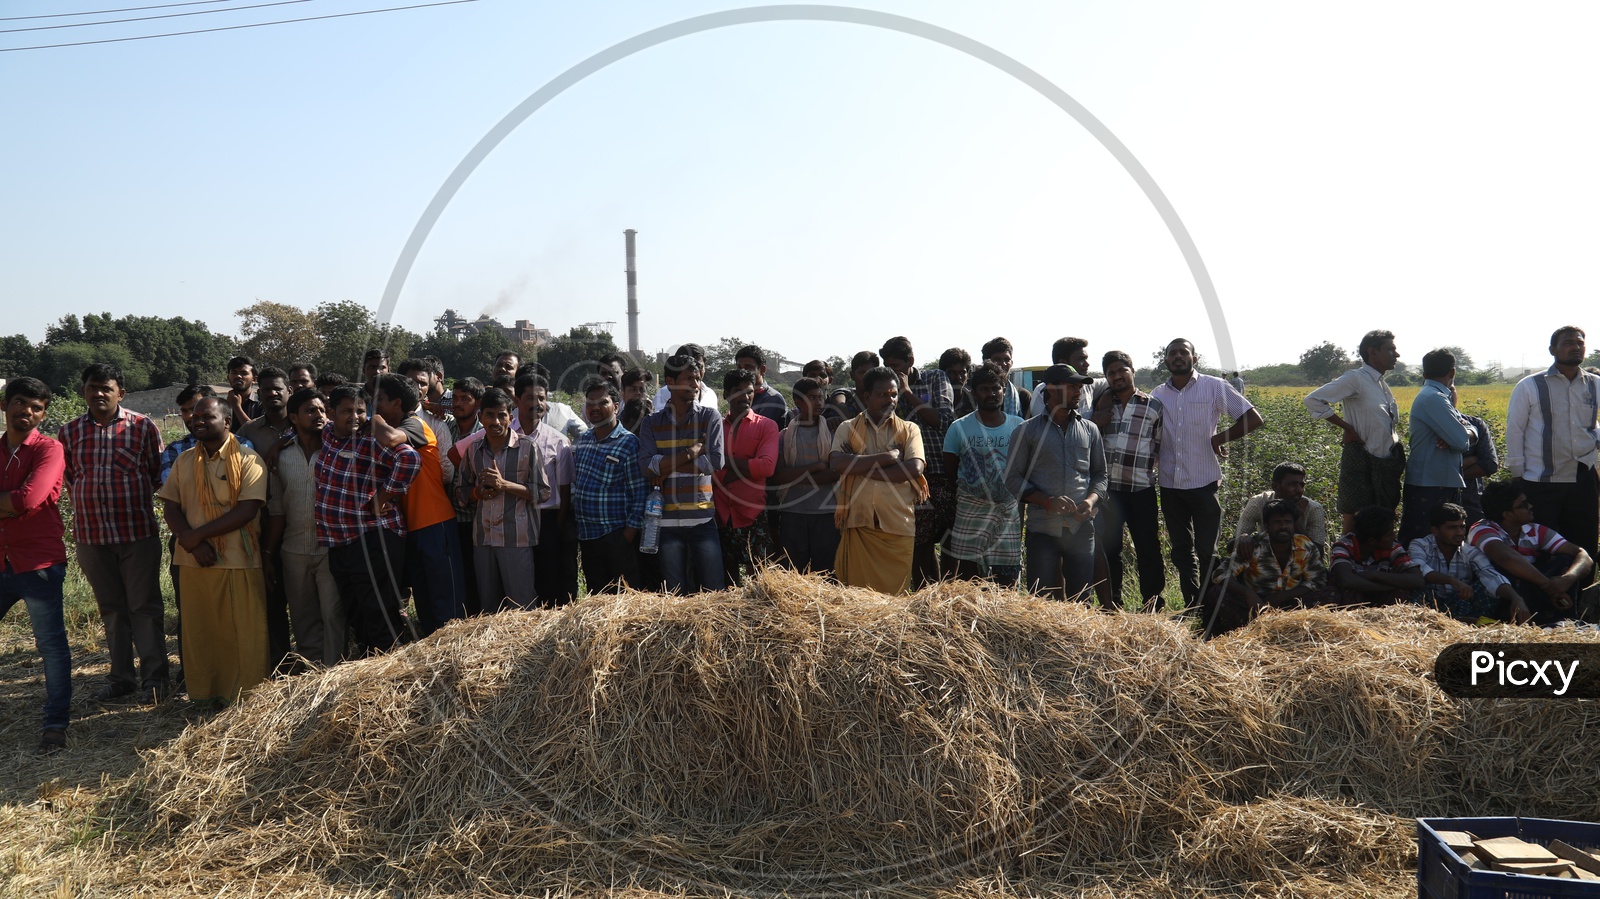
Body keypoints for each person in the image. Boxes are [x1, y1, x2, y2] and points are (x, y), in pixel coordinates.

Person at [59, 363, 169, 703]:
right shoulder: (70, 431)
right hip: (91, 536)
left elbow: (157, 474)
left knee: (145, 607)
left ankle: (156, 681)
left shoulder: (142, 427)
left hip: (136, 533)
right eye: (92, 387)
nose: (99, 393)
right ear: (83, 391)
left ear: (121, 392)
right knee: (111, 608)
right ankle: (121, 678)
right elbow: (68, 478)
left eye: (106, 388)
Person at [157, 397, 269, 705]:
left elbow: (247, 511)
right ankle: (205, 695)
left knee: (240, 633)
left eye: (207, 416)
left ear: (227, 422)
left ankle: (244, 698)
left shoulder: (249, 459)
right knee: (200, 632)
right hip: (192, 561)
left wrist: (196, 537)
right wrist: (189, 542)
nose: (198, 421)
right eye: (195, 417)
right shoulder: (183, 461)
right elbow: (171, 506)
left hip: (237, 559)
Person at [1150, 339, 1263, 611]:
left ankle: (1211, 605)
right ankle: (1192, 604)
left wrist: (1218, 439)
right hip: (1169, 484)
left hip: (1203, 483)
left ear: (1194, 358)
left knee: (1206, 551)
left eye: (1183, 352)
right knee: (1180, 550)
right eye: (1172, 354)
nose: (1178, 357)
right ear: (1165, 360)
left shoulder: (1213, 386)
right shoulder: (1157, 394)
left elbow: (1252, 418)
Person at [315, 385, 418, 655]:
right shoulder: (327, 434)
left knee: (379, 613)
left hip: (373, 538)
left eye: (361, 411)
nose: (355, 417)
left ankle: (393, 674)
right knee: (357, 614)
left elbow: (409, 459)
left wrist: (383, 495)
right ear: (330, 413)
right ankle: (366, 672)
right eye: (347, 411)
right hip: (340, 542)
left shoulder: (371, 440)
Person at [0, 378, 71, 754]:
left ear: (43, 413)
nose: (26, 411)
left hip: (38, 562)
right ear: (4, 405)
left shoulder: (50, 449)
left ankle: (56, 725)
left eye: (36, 407)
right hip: (1, 559)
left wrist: (13, 502)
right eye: (20, 402)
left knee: (51, 647)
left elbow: (29, 499)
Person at [371, 374, 465, 633]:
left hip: (435, 524)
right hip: (414, 527)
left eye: (379, 400)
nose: (374, 405)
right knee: (425, 602)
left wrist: (371, 417)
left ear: (397, 403)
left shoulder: (416, 425)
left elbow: (390, 438)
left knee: (447, 604)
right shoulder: (404, 426)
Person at [1005, 364, 1107, 600]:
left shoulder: (1090, 430)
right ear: (1050, 389)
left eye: (1079, 386)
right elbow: (1012, 478)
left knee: (1081, 600)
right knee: (1041, 602)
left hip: (1081, 528)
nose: (1078, 391)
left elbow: (1101, 475)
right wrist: (1047, 501)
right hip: (1042, 529)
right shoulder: (1026, 431)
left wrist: (1090, 502)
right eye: (1072, 386)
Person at [1505, 325, 1600, 567]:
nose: (1575, 347)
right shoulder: (1530, 385)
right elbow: (1515, 430)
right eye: (1568, 343)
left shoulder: (1594, 384)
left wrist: (1593, 441)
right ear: (1553, 350)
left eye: (1579, 343)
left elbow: (1591, 424)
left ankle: (1580, 600)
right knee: (1542, 546)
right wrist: (1518, 474)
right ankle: (1543, 599)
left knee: (1584, 543)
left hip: (1582, 478)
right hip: (1541, 481)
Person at [829, 366, 927, 593]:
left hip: (898, 526)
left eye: (893, 394)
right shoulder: (847, 428)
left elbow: (914, 468)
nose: (890, 400)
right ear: (867, 396)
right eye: (883, 395)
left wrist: (860, 466)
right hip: (858, 523)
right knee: (858, 603)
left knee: (894, 605)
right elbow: (837, 463)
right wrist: (888, 457)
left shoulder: (910, 429)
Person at [264, 388, 342, 666]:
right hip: (293, 549)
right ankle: (311, 669)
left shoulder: (337, 449)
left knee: (333, 613)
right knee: (302, 614)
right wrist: (270, 554)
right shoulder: (281, 457)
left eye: (322, 410)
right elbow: (276, 509)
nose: (319, 415)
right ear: (294, 417)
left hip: (330, 547)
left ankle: (333, 670)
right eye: (310, 411)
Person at [639, 354, 726, 592]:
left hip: (702, 518)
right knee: (675, 594)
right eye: (689, 379)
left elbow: (715, 462)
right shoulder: (651, 423)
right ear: (670, 382)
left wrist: (666, 465)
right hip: (665, 520)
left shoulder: (710, 417)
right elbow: (646, 466)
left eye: (697, 379)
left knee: (714, 591)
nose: (696, 385)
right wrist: (693, 451)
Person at [455, 387, 547, 611]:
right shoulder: (473, 450)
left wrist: (504, 484)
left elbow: (543, 492)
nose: (495, 421)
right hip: (483, 538)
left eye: (501, 415)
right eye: (489, 415)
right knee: (488, 605)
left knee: (522, 604)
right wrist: (478, 493)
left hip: (516, 538)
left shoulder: (527, 448)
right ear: (480, 417)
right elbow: (460, 492)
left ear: (510, 418)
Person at [1303, 330, 1404, 533]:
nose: (1397, 354)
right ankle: (1348, 559)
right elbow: (1312, 400)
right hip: (1361, 459)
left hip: (1385, 464)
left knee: (1382, 521)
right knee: (1354, 515)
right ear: (1372, 352)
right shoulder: (1356, 378)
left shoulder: (1382, 385)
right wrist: (1347, 428)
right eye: (1390, 349)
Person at [1091, 350, 1166, 609]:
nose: (1117, 376)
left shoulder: (1153, 406)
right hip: (1109, 491)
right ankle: (1113, 603)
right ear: (1106, 378)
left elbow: (1160, 445)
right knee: (1110, 549)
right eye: (1111, 373)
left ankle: (1152, 603)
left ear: (1132, 372)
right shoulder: (1101, 406)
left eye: (1121, 370)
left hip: (1141, 489)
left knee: (1148, 548)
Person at [881, 336, 955, 587]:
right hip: (913, 477)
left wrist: (908, 393)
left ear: (911, 361)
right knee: (919, 543)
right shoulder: (888, 388)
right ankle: (925, 596)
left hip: (943, 472)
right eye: (887, 365)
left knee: (950, 542)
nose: (892, 371)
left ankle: (950, 595)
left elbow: (943, 420)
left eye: (896, 365)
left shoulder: (935, 378)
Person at [942, 363, 1024, 585]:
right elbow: (951, 471)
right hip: (971, 514)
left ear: (1004, 391)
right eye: (985, 389)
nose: (991, 394)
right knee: (970, 583)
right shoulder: (958, 428)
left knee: (1006, 583)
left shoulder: (1019, 426)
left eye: (996, 388)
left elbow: (1026, 471)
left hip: (1007, 515)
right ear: (974, 392)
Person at [1468, 481, 1594, 625]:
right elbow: (1506, 557)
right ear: (1507, 514)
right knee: (1504, 569)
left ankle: (1563, 621)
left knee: (1566, 560)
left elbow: (1582, 555)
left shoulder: (1535, 530)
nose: (1530, 506)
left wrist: (1568, 578)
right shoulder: (1481, 529)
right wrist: (1549, 586)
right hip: (1502, 593)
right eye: (1524, 504)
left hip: (1534, 588)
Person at [237, 366, 294, 670]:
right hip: (263, 523)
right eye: (266, 389)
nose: (272, 393)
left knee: (303, 597)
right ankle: (279, 661)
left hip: (301, 520)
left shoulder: (305, 424)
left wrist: (282, 442)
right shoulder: (248, 432)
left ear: (289, 392)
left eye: (278, 388)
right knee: (271, 596)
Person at [572, 378, 647, 593]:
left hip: (616, 535)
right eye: (590, 404)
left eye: (601, 403)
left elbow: (640, 494)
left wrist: (626, 537)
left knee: (625, 600)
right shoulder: (584, 440)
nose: (594, 408)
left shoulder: (628, 442)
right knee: (597, 599)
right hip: (587, 537)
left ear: (616, 406)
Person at [1210, 500, 1328, 636]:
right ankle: (1246, 631)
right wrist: (1248, 594)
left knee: (1331, 594)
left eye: (1288, 522)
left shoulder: (1305, 545)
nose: (1283, 527)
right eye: (1277, 522)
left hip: (1293, 603)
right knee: (1217, 593)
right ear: (1267, 526)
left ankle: (1297, 631)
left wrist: (1282, 596)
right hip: (1256, 604)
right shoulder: (1254, 545)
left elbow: (1318, 580)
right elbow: (1221, 573)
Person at [512, 374, 577, 606]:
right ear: (516, 399)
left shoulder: (559, 441)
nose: (536, 404)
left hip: (547, 519)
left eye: (541, 398)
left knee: (549, 576)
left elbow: (564, 491)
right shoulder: (504, 435)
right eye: (530, 397)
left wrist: (556, 525)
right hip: (512, 516)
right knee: (519, 579)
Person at [1399, 349, 1475, 545]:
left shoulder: (1439, 397)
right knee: (1423, 544)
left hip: (1438, 480)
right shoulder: (1434, 398)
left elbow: (1466, 430)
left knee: (1443, 544)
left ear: (1424, 374)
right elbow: (1461, 441)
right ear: (1453, 373)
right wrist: (1460, 434)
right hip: (1430, 484)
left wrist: (1463, 432)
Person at [1409, 502, 1531, 624]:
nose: (1460, 533)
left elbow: (1490, 574)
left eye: (1462, 527)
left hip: (1459, 605)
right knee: (1420, 586)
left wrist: (1516, 598)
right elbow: (1420, 570)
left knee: (1486, 587)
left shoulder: (1470, 551)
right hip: (1429, 608)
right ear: (1435, 530)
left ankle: (1462, 622)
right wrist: (1452, 581)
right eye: (1452, 528)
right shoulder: (1420, 545)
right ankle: (1453, 621)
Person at [714, 369, 779, 586]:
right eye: (737, 392)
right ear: (725, 394)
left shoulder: (766, 425)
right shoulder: (716, 428)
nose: (745, 397)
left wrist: (725, 462)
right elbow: (711, 468)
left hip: (753, 513)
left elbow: (767, 467)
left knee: (759, 580)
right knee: (727, 580)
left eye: (749, 392)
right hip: (722, 514)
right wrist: (747, 465)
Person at [771, 377, 840, 574]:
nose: (819, 402)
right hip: (794, 513)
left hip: (826, 512)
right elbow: (779, 476)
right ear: (798, 402)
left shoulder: (833, 432)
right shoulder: (784, 435)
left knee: (825, 572)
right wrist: (817, 466)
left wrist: (799, 478)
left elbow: (836, 472)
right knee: (794, 573)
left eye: (820, 397)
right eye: (812, 398)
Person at [1327, 506, 1425, 606]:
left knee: (1402, 593)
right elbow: (1346, 580)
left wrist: (1375, 575)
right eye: (1389, 534)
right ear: (1372, 541)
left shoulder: (1392, 546)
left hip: (1379, 599)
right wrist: (1386, 586)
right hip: (1350, 602)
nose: (1393, 537)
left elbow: (1417, 580)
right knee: (1337, 591)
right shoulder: (1343, 545)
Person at [447, 376, 484, 612]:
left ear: (478, 403)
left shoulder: (483, 432)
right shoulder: (443, 426)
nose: (458, 403)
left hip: (475, 517)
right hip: (448, 515)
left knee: (475, 576)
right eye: (456, 398)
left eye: (465, 399)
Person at [1234, 462, 1328, 554]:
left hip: (1300, 563)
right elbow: (1233, 544)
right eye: (1292, 484)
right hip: (1265, 560)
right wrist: (1243, 538)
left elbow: (1318, 552)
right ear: (1275, 486)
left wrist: (1295, 519)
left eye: (1301, 485)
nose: (1299, 490)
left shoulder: (1313, 508)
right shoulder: (1259, 502)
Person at [1029, 337, 1105, 417]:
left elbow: (1115, 382)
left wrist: (1108, 395)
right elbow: (1043, 426)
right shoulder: (1043, 391)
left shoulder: (1089, 385)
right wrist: (1095, 422)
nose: (1087, 364)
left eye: (1078, 387)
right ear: (1062, 363)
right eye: (1081, 359)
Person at [1456, 386, 1498, 523]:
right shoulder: (1427, 427)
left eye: (1450, 389)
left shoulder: (1476, 424)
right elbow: (1433, 469)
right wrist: (1473, 459)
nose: (1447, 394)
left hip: (1471, 504)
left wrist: (1448, 475)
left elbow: (1489, 465)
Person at [652, 343, 720, 409]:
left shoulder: (710, 394)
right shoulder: (663, 394)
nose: (696, 372)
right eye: (691, 368)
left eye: (700, 367)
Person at [735, 344, 789, 424]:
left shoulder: (772, 399)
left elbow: (754, 431)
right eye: (739, 368)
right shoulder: (739, 395)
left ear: (762, 370)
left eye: (749, 368)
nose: (743, 372)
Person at [980, 337, 1029, 418]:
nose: (1003, 364)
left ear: (1012, 363)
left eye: (1007, 359)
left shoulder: (1022, 396)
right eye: (997, 359)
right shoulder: (976, 393)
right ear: (986, 362)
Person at [826, 351, 879, 422]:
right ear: (852, 375)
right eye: (862, 373)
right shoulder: (847, 403)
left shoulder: (885, 401)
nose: (867, 377)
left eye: (871, 372)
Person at [225, 354, 263, 432]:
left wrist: (236, 407)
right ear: (228, 377)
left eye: (244, 373)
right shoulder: (220, 404)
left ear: (254, 379)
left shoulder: (261, 405)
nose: (238, 376)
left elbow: (256, 433)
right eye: (234, 372)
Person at [940, 347, 975, 419]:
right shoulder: (935, 398)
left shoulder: (974, 399)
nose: (958, 377)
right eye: (952, 372)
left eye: (962, 372)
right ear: (942, 373)